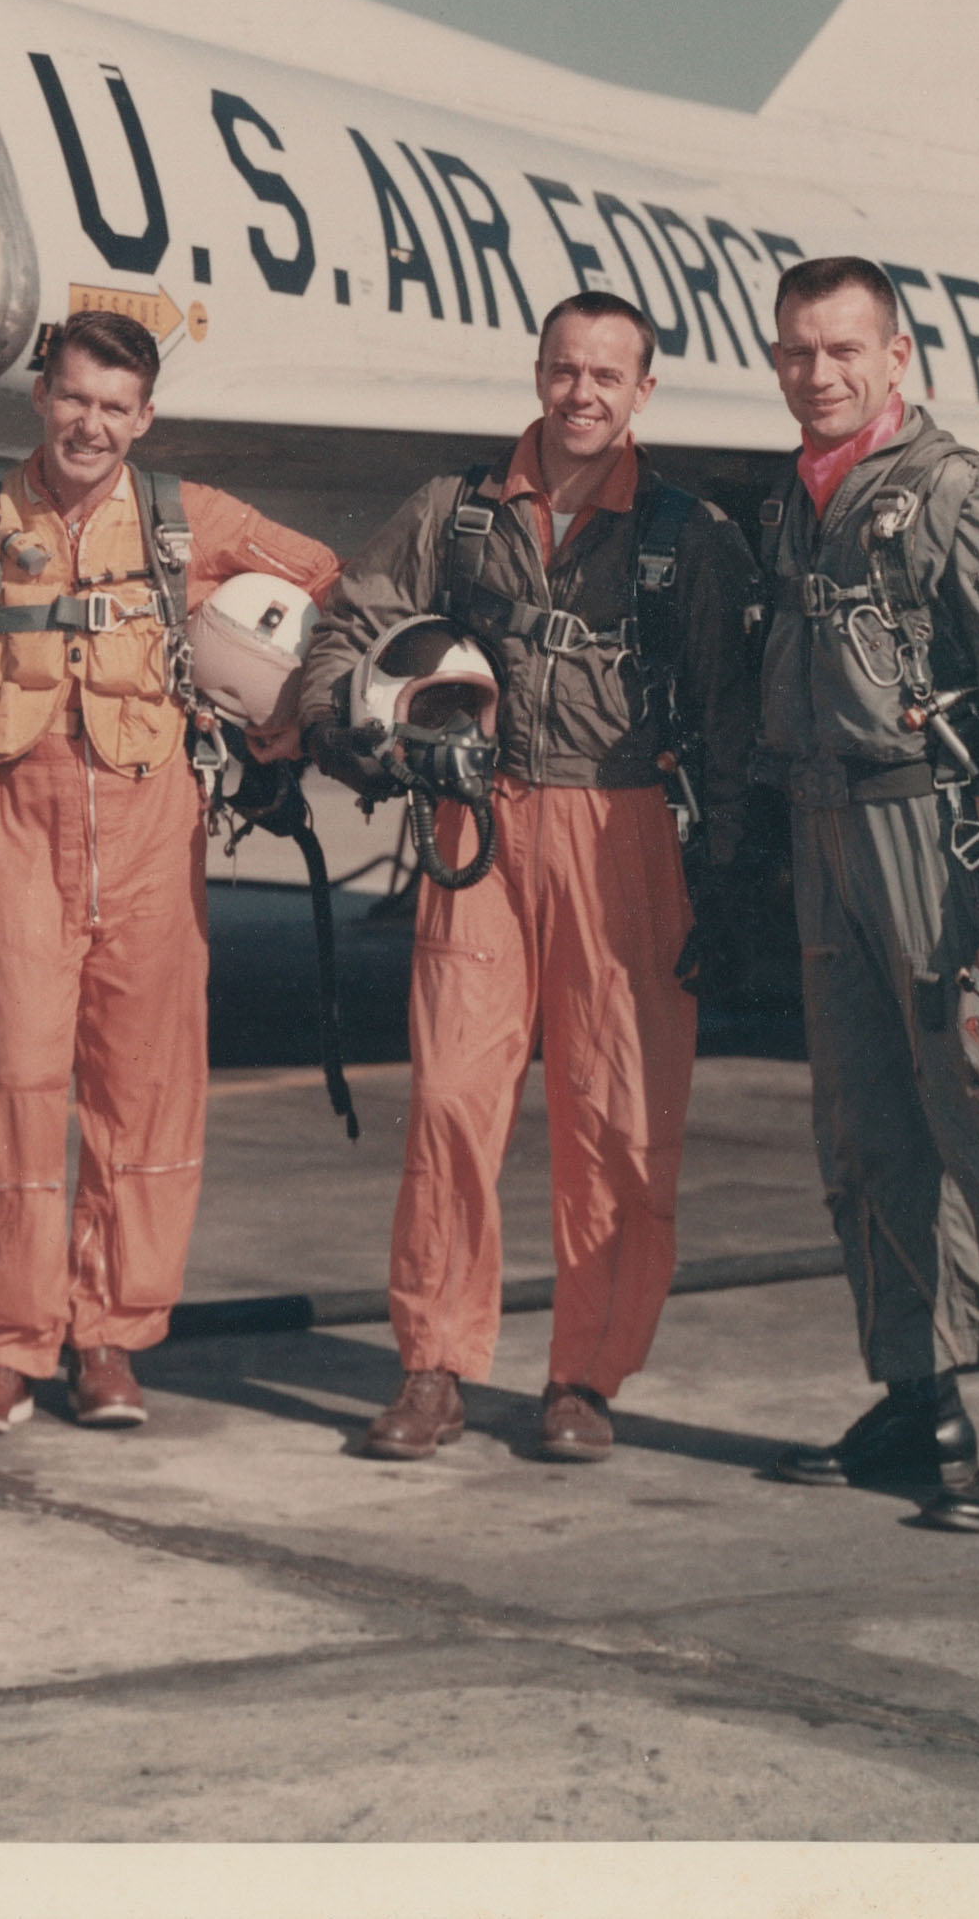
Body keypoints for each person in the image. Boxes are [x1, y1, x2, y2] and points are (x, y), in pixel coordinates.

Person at [297, 292, 759, 1466]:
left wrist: (727, 888)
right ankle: (432, 1366)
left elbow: (731, 723)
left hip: (630, 837)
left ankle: (584, 1379)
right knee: (452, 1101)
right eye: (564, 369)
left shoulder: (685, 537)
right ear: (537, 373)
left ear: (642, 391)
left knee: (616, 1125)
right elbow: (344, 634)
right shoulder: (454, 517)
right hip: (479, 826)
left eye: (608, 376)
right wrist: (367, 736)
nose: (581, 394)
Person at [0, 310, 340, 1433]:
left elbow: (327, 586)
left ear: (142, 417)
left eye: (114, 407)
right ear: (38, 397)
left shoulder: (187, 519)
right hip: (15, 823)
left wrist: (278, 709)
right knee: (14, 1078)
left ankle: (108, 1337)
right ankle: (2, 1347)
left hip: (154, 825)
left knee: (142, 1093)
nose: (89, 424)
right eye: (72, 399)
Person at [756, 256, 979, 1531]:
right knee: (864, 1139)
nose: (818, 374)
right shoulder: (797, 502)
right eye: (796, 351)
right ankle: (918, 1395)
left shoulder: (966, 501)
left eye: (843, 350)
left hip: (937, 846)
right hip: (825, 834)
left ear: (896, 356)